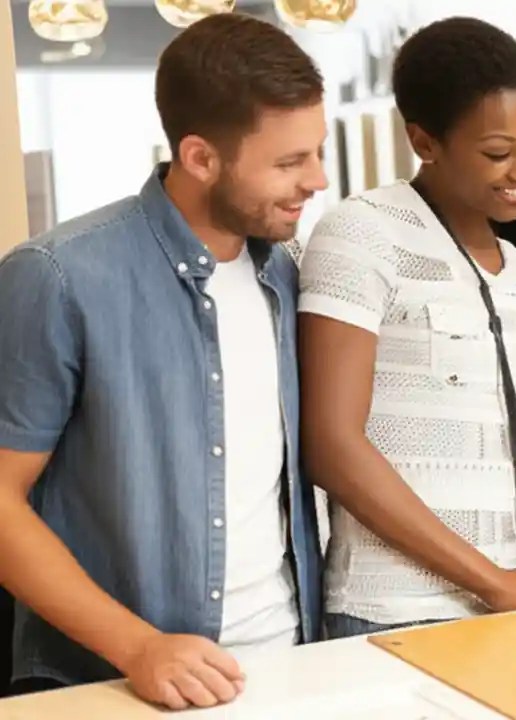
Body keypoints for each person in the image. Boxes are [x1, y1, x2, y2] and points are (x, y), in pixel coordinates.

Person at [0, 14, 328, 709]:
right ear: (201, 157)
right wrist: (139, 647)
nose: (317, 180)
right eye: (289, 162)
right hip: (114, 683)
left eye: (317, 152)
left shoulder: (287, 276)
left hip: (290, 665)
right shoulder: (59, 276)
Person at [298, 16, 516, 641]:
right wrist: (493, 582)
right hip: (396, 609)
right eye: (498, 152)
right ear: (425, 140)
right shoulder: (362, 232)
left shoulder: (513, 263)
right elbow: (330, 443)